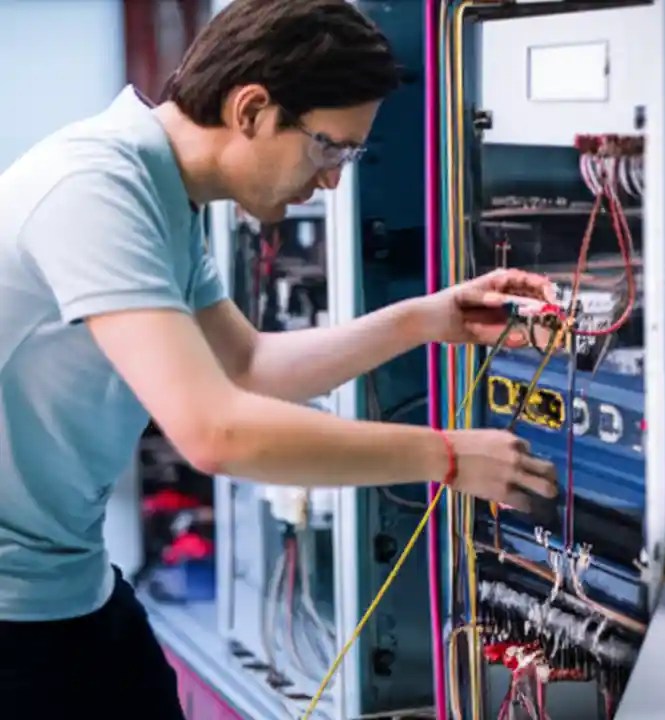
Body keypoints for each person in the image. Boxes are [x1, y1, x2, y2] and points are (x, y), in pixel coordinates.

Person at [0, 1, 558, 716]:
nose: (332, 181)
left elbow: (247, 364)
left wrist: (427, 318)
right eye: (330, 148)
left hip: (71, 587)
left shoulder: (164, 194)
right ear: (252, 109)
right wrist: (446, 456)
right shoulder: (96, 189)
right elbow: (214, 430)